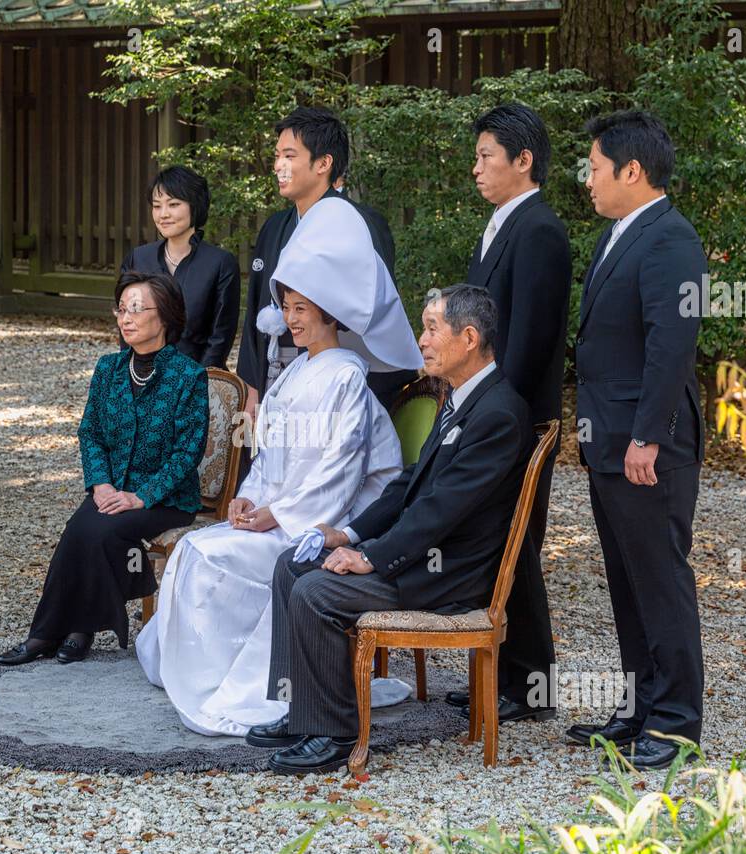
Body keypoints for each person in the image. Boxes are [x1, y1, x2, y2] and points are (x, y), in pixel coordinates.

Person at [135, 196, 423, 737]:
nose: (290, 321)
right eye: (286, 308)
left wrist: (278, 515)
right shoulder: (293, 375)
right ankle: (198, 671)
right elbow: (270, 455)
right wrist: (248, 498)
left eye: (301, 310)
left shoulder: (346, 377)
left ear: (329, 313)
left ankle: (253, 685)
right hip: (279, 509)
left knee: (210, 557)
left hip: (323, 522)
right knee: (198, 548)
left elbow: (340, 474)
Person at [247, 284, 536, 774]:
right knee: (292, 562)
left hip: (449, 575)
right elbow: (407, 489)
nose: (421, 340)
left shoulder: (499, 413)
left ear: (468, 338)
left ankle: (334, 734)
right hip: (422, 555)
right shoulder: (462, 399)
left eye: (430, 329)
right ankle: (300, 709)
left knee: (317, 591)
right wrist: (348, 534)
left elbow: (442, 510)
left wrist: (372, 557)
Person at [569, 110, 706, 770]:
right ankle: (640, 704)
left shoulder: (670, 239)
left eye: (593, 169)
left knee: (660, 579)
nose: (586, 181)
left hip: (649, 444)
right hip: (609, 442)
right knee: (626, 580)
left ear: (632, 170)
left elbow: (671, 345)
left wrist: (647, 436)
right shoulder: (617, 235)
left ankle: (677, 722)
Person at [0, 271, 209, 666]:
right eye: (121, 309)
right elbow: (89, 431)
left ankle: (76, 630)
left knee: (100, 530)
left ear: (164, 315)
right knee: (81, 529)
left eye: (136, 309)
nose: (124, 318)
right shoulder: (108, 368)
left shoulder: (188, 377)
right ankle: (49, 633)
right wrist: (100, 484)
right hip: (111, 491)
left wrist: (140, 495)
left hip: (165, 497)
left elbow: (188, 452)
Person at [440, 103, 572, 724]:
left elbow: (532, 340)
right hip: (489, 410)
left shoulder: (540, 230)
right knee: (494, 544)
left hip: (517, 419)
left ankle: (531, 683)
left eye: (486, 156)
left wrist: (494, 413)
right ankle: (500, 672)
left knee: (519, 543)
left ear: (523, 161)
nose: (476, 169)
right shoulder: (498, 225)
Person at [233, 106, 415, 414]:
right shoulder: (275, 227)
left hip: (340, 379)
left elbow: (370, 308)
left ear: (323, 163)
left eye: (289, 156)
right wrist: (251, 384)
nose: (279, 165)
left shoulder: (357, 223)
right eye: (277, 155)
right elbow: (256, 310)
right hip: (278, 371)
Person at [120, 165, 241, 369]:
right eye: (157, 206)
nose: (163, 214)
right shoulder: (138, 258)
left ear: (195, 206)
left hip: (198, 378)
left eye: (173, 204)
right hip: (142, 376)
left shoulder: (220, 263)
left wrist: (193, 383)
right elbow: (126, 324)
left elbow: (220, 337)